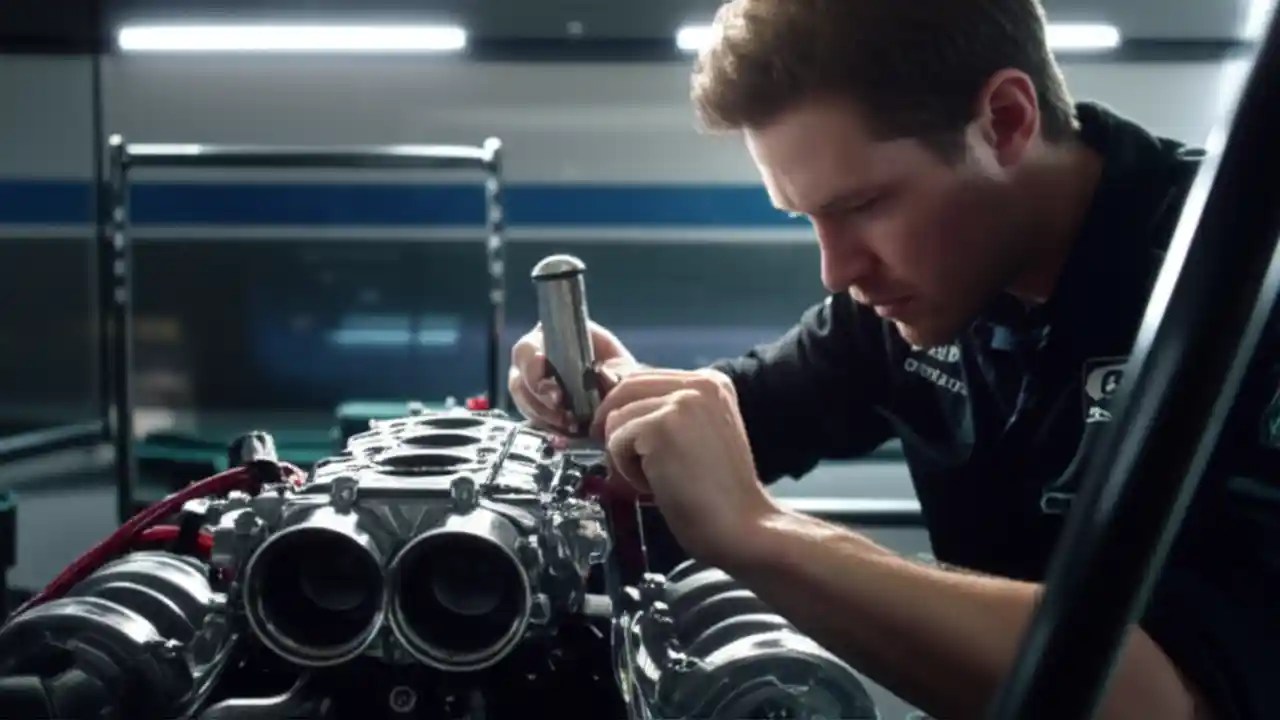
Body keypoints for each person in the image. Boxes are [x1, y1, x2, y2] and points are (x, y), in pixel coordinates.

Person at [509, 1, 1279, 718]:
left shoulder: (1244, 287)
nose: (837, 271)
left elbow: (1178, 696)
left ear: (1005, 121)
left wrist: (763, 533)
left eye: (862, 207)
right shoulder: (912, 300)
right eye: (807, 218)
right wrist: (627, 400)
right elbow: (745, 411)